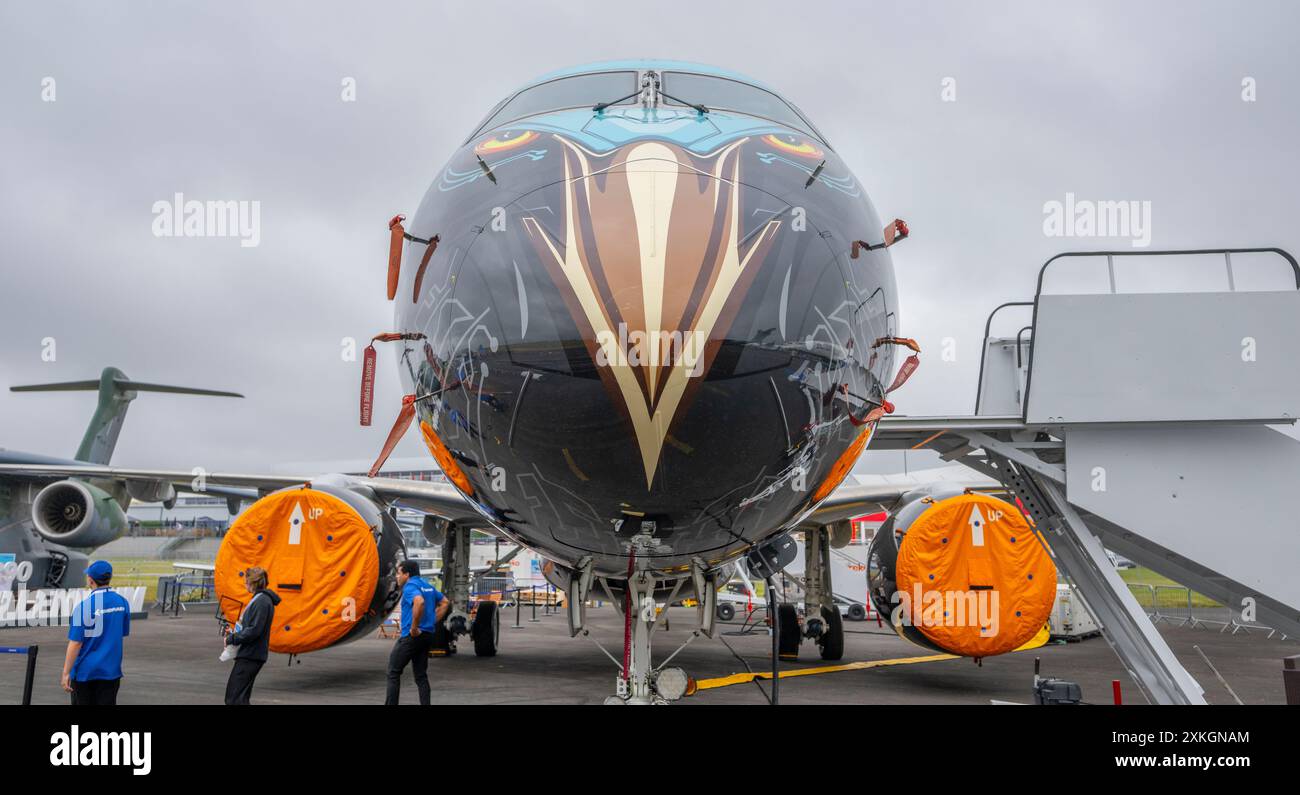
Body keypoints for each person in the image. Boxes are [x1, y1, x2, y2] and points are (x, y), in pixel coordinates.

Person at [62, 560, 130, 705]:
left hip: (85, 673)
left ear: (90, 580)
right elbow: (121, 633)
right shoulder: (122, 603)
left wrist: (66, 672)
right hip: (111, 671)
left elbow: (75, 643)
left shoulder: (84, 607)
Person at [385, 560, 451, 705]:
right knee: (421, 676)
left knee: (393, 672)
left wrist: (414, 628)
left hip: (411, 637)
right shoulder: (427, 586)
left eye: (399, 573)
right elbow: (445, 602)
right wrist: (431, 621)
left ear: (407, 574)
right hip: (427, 636)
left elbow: (419, 602)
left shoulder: (410, 587)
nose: (397, 576)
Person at [223, 566, 280, 705]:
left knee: (234, 699)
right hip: (251, 655)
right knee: (240, 698)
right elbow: (251, 627)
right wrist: (234, 632)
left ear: (253, 583)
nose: (245, 584)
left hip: (251, 655)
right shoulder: (260, 599)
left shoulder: (262, 601)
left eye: (246, 582)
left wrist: (233, 638)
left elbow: (254, 630)